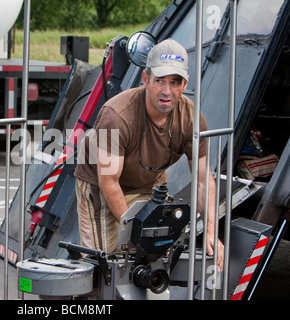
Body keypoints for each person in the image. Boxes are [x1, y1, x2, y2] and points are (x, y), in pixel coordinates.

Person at [74, 38, 224, 271]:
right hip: (101, 185)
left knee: (155, 256)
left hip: (149, 185)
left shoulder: (192, 118)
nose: (166, 91)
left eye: (175, 82)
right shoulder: (116, 115)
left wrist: (212, 231)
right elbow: (109, 182)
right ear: (145, 79)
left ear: (185, 84)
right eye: (159, 81)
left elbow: (203, 181)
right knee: (107, 264)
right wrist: (133, 232)